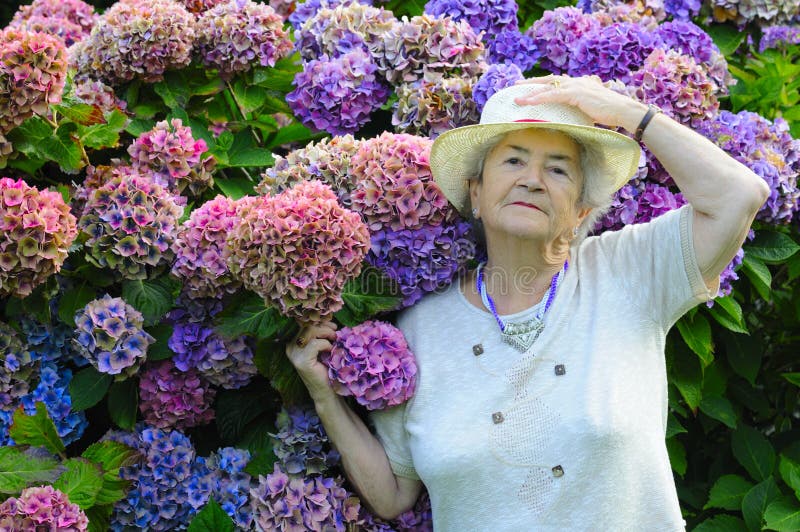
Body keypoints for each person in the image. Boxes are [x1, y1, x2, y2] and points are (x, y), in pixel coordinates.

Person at [286, 75, 770, 530]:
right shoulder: (420, 329)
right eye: (513, 160)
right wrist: (323, 392)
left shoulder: (631, 272)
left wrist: (628, 114)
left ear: (582, 209)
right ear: (475, 193)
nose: (533, 180)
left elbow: (739, 194)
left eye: (558, 169)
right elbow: (392, 494)